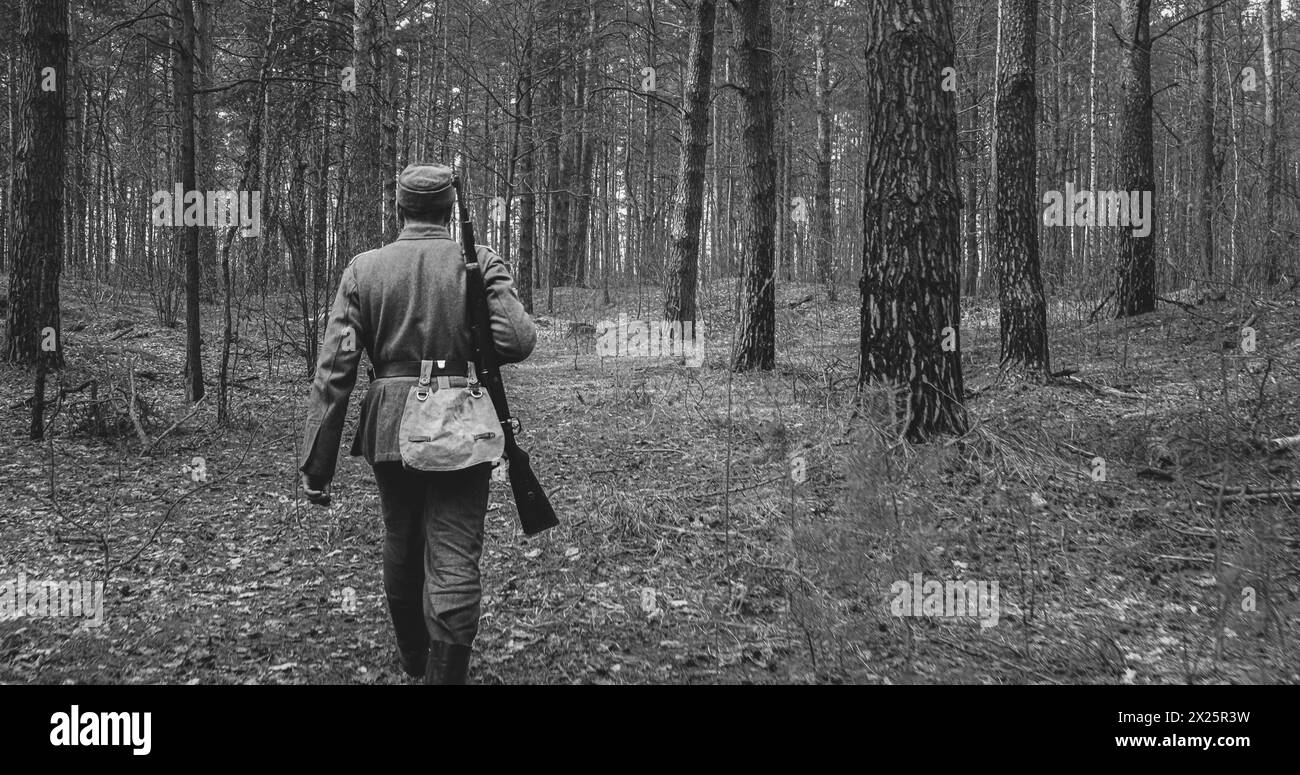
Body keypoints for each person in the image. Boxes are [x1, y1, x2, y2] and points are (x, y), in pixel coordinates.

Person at [298, 162, 536, 684]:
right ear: (449, 211)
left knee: (401, 543)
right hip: (462, 422)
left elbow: (335, 369)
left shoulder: (364, 269)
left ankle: (414, 663)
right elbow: (517, 340)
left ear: (400, 208)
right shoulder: (478, 262)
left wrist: (318, 465)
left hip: (390, 425)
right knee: (454, 552)